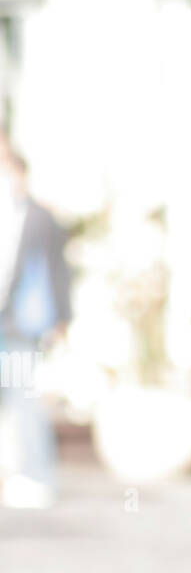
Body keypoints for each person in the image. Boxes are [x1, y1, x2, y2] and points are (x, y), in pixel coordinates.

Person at [0, 142, 71, 507]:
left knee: (22, 398)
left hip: (16, 325)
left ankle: (35, 474)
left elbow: (57, 271)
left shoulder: (39, 217)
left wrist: (61, 318)